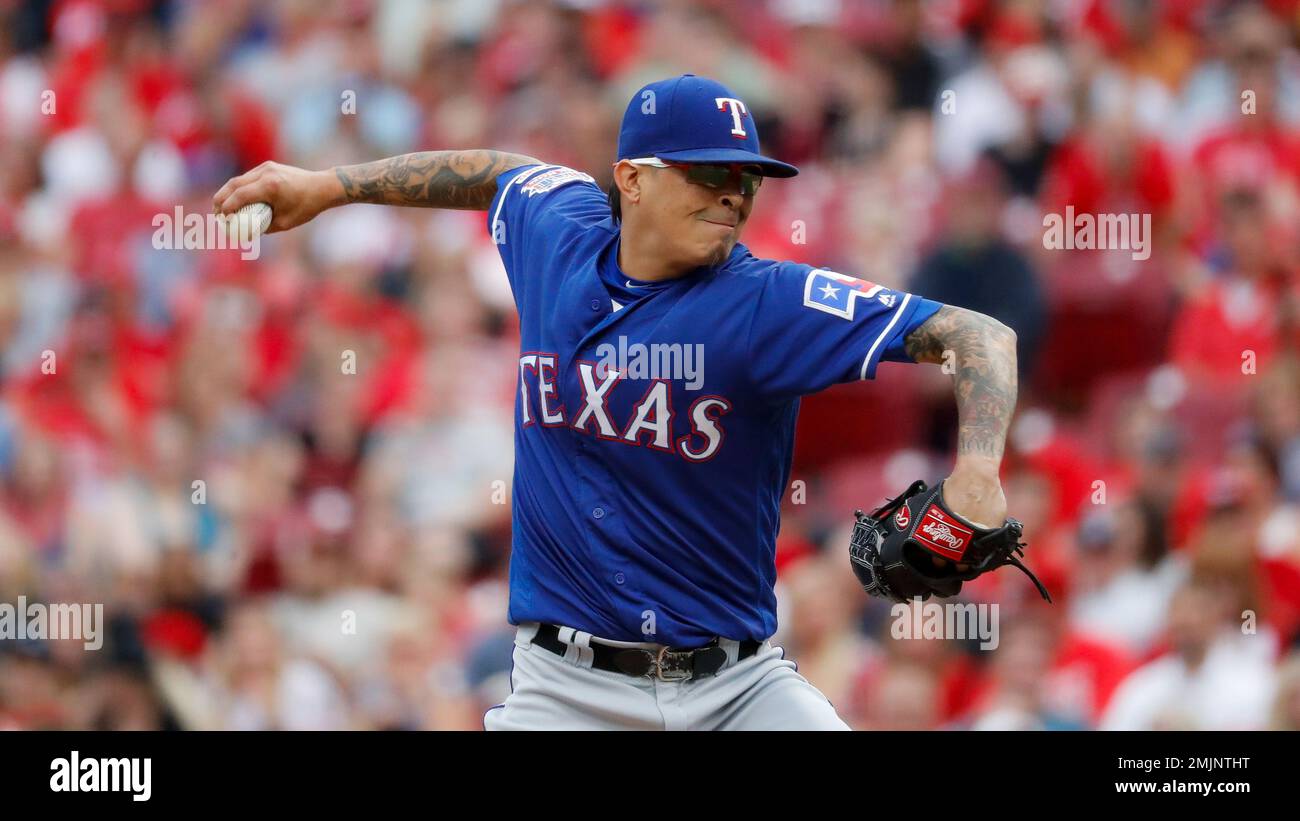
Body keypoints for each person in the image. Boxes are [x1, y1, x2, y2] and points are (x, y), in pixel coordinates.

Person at [213, 74, 1020, 730]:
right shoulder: (555, 230)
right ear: (631, 180)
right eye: (707, 173)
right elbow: (491, 172)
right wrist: (328, 186)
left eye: (745, 179)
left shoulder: (769, 302)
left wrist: (978, 467)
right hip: (565, 692)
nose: (732, 195)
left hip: (735, 691)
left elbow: (978, 336)